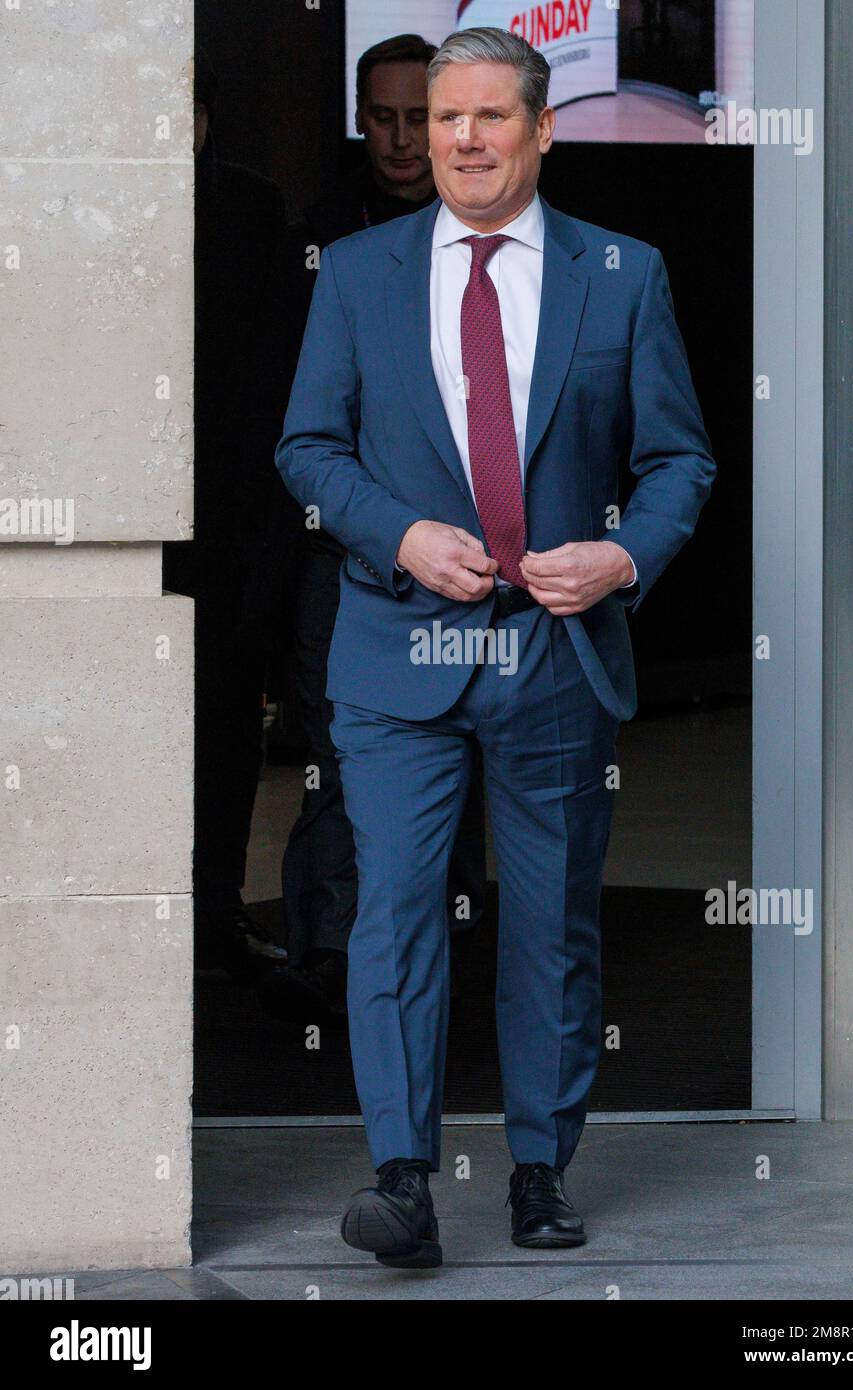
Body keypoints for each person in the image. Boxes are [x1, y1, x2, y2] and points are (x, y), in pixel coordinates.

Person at [275, 26, 715, 1267]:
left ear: (541, 129)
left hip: (551, 655)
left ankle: (538, 1170)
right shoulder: (356, 272)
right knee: (397, 910)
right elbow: (308, 447)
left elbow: (678, 456)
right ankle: (402, 1180)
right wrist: (401, 533)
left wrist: (621, 556)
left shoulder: (621, 272)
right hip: (396, 649)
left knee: (550, 921)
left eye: (487, 118)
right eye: (440, 118)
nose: (459, 139)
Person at [260, 35, 486, 1022]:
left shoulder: (497, 237)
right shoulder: (316, 240)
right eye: (383, 118)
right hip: (337, 547)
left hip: (477, 554)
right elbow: (289, 424)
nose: (400, 139)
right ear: (361, 118)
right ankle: (330, 959)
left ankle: (449, 960)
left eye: (418, 116)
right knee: (338, 760)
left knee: (471, 755)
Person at [164, 49, 289, 982]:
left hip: (225, 518)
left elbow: (271, 377)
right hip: (105, 522)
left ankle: (213, 915)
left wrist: (263, 529)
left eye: (189, 111)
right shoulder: (71, 205)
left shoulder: (249, 210)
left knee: (221, 730)